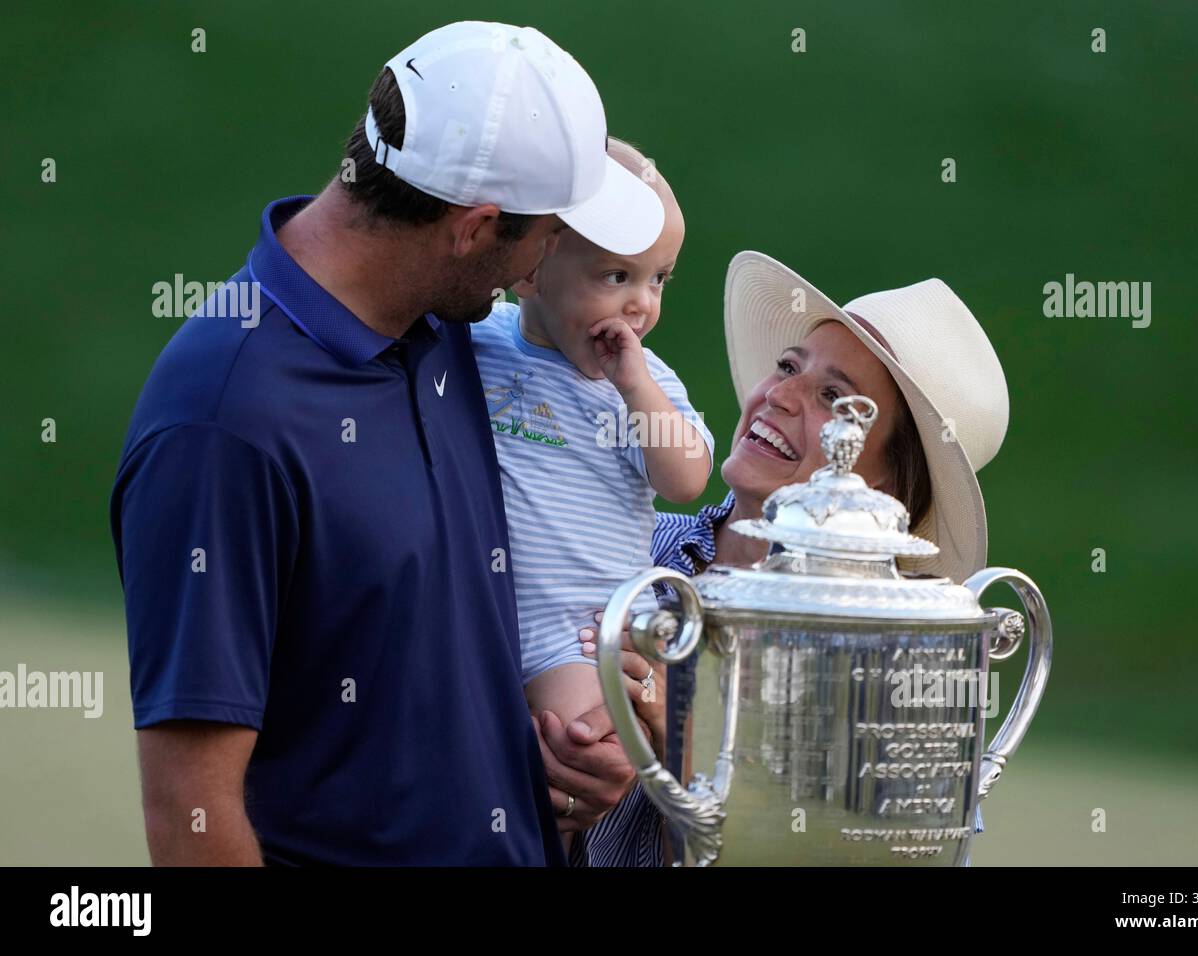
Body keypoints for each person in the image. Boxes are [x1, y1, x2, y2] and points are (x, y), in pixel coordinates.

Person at [109, 21, 663, 866]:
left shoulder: (453, 328)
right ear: (476, 228)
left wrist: (537, 758)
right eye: (551, 232)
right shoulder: (222, 423)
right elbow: (192, 810)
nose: (554, 255)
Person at [577, 250, 1011, 865]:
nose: (779, 395)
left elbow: (871, 854)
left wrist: (682, 725)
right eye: (788, 366)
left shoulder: (899, 656)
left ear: (888, 480)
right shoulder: (625, 539)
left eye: (835, 398)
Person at [472, 137, 711, 858]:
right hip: (469, 609)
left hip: (574, 632)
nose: (641, 304)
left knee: (578, 751)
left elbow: (687, 477)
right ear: (531, 269)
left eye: (660, 280)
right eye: (616, 275)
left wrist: (633, 385)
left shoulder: (647, 385)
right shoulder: (477, 338)